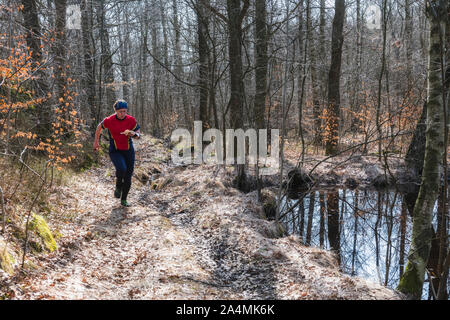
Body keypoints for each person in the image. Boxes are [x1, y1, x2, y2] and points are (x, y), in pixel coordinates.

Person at [93, 100, 141, 207]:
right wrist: (96, 141)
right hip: (115, 150)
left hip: (128, 151)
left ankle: (124, 200)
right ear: (115, 111)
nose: (123, 113)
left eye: (124, 111)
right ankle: (118, 186)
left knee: (128, 176)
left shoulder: (131, 120)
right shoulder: (109, 120)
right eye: (120, 111)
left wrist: (134, 134)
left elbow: (138, 134)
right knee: (121, 169)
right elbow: (99, 127)